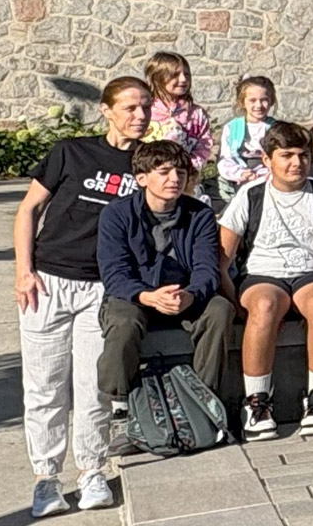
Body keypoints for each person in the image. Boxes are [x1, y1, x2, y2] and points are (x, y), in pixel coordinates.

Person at [14, 77, 148, 517]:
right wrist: (23, 271)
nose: (140, 116)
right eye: (130, 108)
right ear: (106, 110)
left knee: (94, 388)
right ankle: (46, 478)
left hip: (102, 288)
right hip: (49, 283)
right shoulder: (70, 151)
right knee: (44, 387)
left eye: (146, 107)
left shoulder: (148, 164)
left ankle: (92, 470)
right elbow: (28, 210)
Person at [218, 121, 313, 439]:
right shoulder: (250, 196)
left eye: (303, 154)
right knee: (265, 305)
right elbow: (222, 258)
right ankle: (256, 401)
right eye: (286, 155)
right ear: (267, 160)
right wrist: (236, 304)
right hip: (262, 276)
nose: (297, 163)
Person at [95, 140, 234, 406]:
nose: (175, 179)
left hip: (184, 294)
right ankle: (119, 405)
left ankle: (207, 399)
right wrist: (148, 297)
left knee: (219, 309)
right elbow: (114, 274)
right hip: (137, 295)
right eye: (165, 172)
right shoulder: (116, 214)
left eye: (181, 173)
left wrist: (191, 295)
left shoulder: (200, 214)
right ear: (142, 178)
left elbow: (206, 269)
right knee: (123, 322)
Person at [144, 50, 213, 176]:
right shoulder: (145, 109)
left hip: (183, 175)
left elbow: (204, 144)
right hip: (149, 173)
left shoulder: (196, 114)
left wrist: (190, 168)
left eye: (186, 74)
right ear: (157, 77)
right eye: (175, 75)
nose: (183, 79)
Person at [216, 75, 279, 202]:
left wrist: (269, 174)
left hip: (268, 173)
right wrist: (240, 173)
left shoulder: (276, 128)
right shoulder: (232, 127)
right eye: (252, 100)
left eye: (264, 100)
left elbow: (280, 156)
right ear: (242, 102)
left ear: (271, 101)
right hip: (240, 173)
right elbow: (226, 157)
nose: (259, 105)